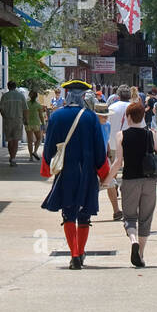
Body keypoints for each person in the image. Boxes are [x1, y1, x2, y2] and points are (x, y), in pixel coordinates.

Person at [41, 79, 111, 269]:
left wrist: (47, 165)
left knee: (68, 213)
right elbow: (99, 149)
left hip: (66, 171)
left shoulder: (56, 116)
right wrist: (103, 171)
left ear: (67, 95)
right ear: (83, 97)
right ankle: (80, 251)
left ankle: (73, 255)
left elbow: (48, 146)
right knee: (84, 214)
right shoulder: (90, 117)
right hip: (87, 172)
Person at [107, 102, 157, 266]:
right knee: (146, 218)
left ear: (128, 117)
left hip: (130, 180)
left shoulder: (121, 135)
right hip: (150, 181)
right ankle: (140, 255)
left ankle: (133, 240)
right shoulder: (151, 134)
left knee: (129, 217)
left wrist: (107, 180)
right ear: (143, 116)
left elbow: (118, 162)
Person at [0, 80, 27, 166]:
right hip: (18, 120)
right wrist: (26, 119)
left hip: (8, 120)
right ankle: (13, 158)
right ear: (15, 86)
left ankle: (11, 156)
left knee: (10, 140)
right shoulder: (21, 96)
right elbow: (25, 109)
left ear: (8, 87)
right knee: (16, 140)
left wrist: (4, 115)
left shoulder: (5, 96)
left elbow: (1, 107)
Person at [24, 89, 45, 160]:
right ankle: (35, 151)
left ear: (29, 96)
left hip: (28, 124)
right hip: (36, 124)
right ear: (36, 96)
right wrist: (43, 123)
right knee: (39, 138)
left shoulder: (26, 104)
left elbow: (24, 113)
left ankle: (30, 157)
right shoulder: (38, 105)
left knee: (30, 141)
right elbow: (41, 116)